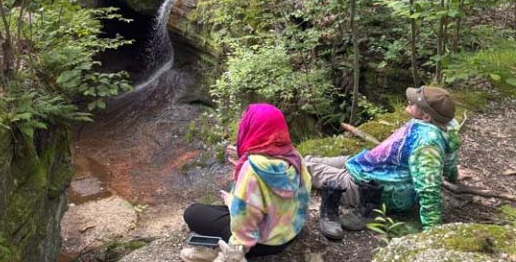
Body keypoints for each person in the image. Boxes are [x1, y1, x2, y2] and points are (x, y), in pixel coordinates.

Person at [304, 86, 460, 241]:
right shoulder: (447, 128)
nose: (409, 102)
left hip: (367, 186)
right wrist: (454, 175)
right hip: (369, 165)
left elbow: (429, 189)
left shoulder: (427, 145)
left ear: (426, 116)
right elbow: (450, 160)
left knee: (305, 168)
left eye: (414, 103)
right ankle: (303, 159)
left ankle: (296, 165)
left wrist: (432, 233)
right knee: (314, 160)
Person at [180, 104, 311, 262]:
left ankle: (215, 251)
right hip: (290, 232)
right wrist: (243, 160)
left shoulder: (252, 169)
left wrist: (230, 255)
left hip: (263, 242)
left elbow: (245, 226)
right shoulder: (294, 156)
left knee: (193, 213)